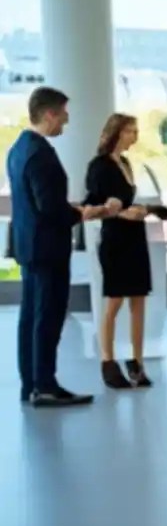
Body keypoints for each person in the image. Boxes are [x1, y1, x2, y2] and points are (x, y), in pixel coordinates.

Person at [7, 87, 120, 407]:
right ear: (49, 114)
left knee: (31, 315)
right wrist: (89, 212)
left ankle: (31, 383)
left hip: (30, 246)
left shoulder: (18, 148)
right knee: (48, 315)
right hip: (47, 247)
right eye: (64, 113)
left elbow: (37, 201)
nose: (67, 120)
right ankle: (44, 386)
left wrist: (71, 207)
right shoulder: (40, 153)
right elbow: (50, 209)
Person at [83, 114, 167, 389]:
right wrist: (120, 214)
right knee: (114, 302)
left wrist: (140, 211)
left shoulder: (126, 163)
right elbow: (92, 204)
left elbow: (128, 201)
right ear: (115, 132)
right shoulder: (99, 166)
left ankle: (137, 363)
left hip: (135, 238)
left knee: (139, 301)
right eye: (130, 131)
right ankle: (108, 361)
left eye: (136, 131)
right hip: (115, 238)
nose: (134, 136)